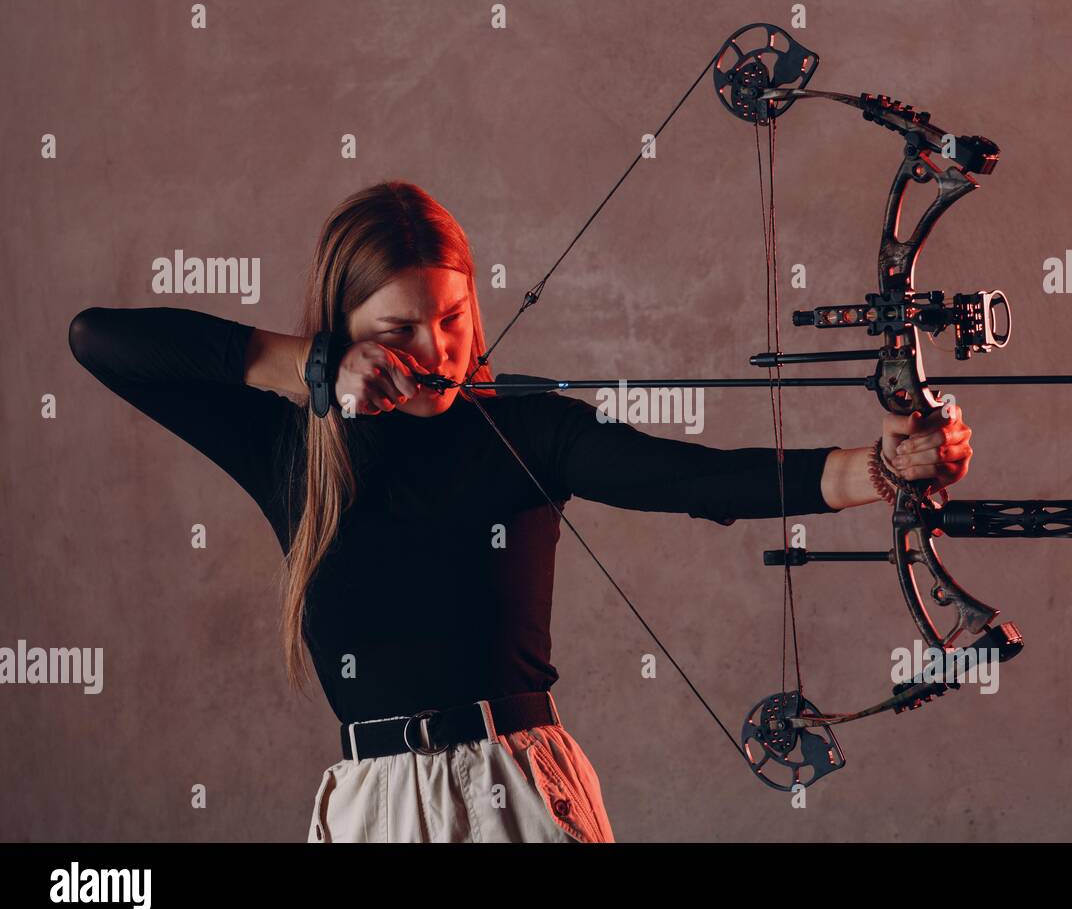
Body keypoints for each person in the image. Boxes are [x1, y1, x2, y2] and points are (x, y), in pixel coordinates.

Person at [67, 180, 973, 842]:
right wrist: (310, 371)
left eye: (454, 317)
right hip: (374, 805)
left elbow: (699, 482)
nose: (440, 351)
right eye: (399, 331)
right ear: (344, 333)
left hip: (518, 787)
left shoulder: (526, 430)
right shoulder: (291, 449)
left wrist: (884, 467)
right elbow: (100, 339)